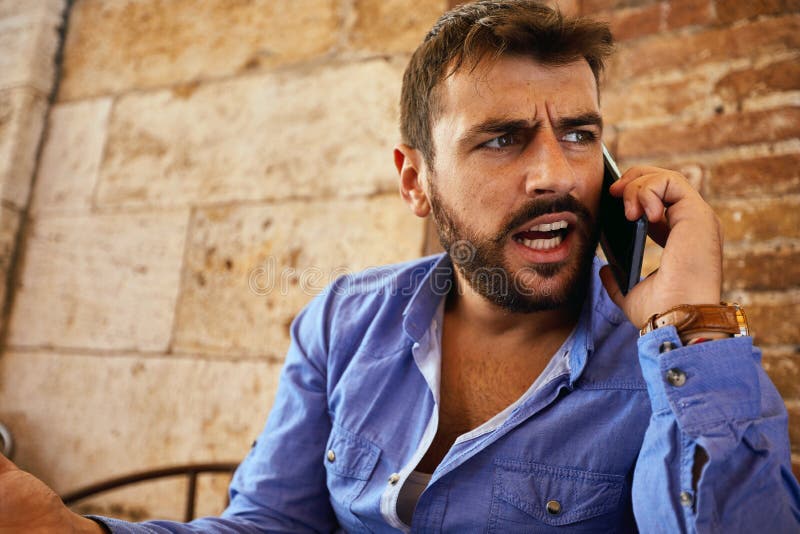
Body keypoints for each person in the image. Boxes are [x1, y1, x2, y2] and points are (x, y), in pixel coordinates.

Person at [2, 1, 799, 532]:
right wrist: (61, 526)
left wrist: (689, 325)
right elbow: (273, 525)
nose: (556, 173)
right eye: (502, 138)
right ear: (416, 179)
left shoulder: (669, 363)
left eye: (581, 134)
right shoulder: (344, 321)